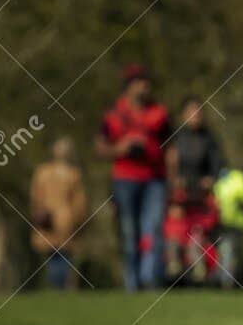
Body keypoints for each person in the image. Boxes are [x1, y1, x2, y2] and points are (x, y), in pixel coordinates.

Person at [97, 63, 170, 290]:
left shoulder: (160, 114)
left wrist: (174, 179)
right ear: (128, 86)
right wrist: (121, 149)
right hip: (125, 179)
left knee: (154, 227)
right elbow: (99, 148)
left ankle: (149, 277)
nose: (145, 86)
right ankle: (132, 282)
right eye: (139, 82)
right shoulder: (114, 115)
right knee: (129, 231)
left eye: (146, 81)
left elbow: (172, 148)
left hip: (155, 179)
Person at [165, 97, 225, 284]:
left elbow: (217, 167)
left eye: (198, 112)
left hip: (201, 197)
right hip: (180, 197)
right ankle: (173, 268)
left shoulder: (210, 139)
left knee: (197, 239)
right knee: (175, 234)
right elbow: (169, 165)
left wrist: (211, 181)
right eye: (191, 112)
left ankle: (201, 272)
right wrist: (173, 181)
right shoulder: (175, 138)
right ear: (184, 115)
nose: (195, 116)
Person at [29, 140, 87, 290]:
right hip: (65, 219)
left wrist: (38, 213)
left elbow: (36, 197)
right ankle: (60, 286)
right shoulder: (74, 174)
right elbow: (79, 203)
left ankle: (57, 286)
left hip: (47, 218)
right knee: (63, 255)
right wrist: (79, 220)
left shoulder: (42, 172)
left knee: (53, 255)